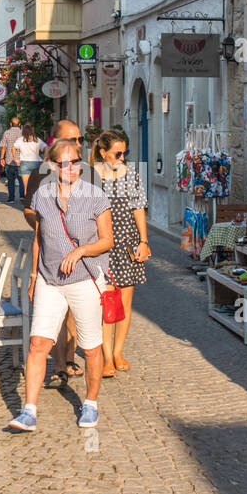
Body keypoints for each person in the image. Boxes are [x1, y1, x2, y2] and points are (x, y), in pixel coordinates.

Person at [10, 137, 113, 432]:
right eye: (63, 163)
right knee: (38, 342)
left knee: (91, 348)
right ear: (52, 165)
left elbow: (107, 240)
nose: (70, 168)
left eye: (75, 162)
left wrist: (80, 250)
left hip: (85, 279)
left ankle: (90, 404)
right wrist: (33, 276)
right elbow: (40, 238)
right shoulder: (43, 195)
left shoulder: (95, 196)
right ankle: (29, 410)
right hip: (49, 279)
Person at [24, 119, 84, 380]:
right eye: (73, 140)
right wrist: (48, 224)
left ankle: (69, 357)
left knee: (74, 311)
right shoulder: (41, 173)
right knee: (58, 310)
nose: (79, 144)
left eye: (80, 140)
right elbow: (29, 209)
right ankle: (60, 365)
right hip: (51, 253)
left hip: (81, 253)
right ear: (56, 142)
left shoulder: (87, 172)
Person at [91, 131, 151, 376]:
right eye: (118, 153)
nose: (122, 157)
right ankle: (106, 357)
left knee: (125, 304)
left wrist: (144, 241)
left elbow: (138, 210)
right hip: (103, 244)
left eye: (125, 153)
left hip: (128, 244)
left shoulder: (132, 175)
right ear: (103, 152)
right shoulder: (91, 177)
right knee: (107, 303)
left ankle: (118, 353)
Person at [13, 123, 46, 198]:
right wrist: (45, 158)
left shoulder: (20, 140)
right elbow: (46, 147)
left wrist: (15, 158)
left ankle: (27, 204)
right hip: (36, 163)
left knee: (26, 187)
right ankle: (35, 203)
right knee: (35, 186)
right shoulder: (37, 139)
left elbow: (13, 147)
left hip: (24, 163)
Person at [0, 116, 23, 203]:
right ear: (19, 124)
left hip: (9, 160)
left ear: (10, 124)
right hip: (21, 161)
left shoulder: (7, 132)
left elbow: (3, 146)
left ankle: (11, 198)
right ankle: (22, 196)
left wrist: (2, 158)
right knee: (21, 180)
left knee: (10, 181)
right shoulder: (23, 133)